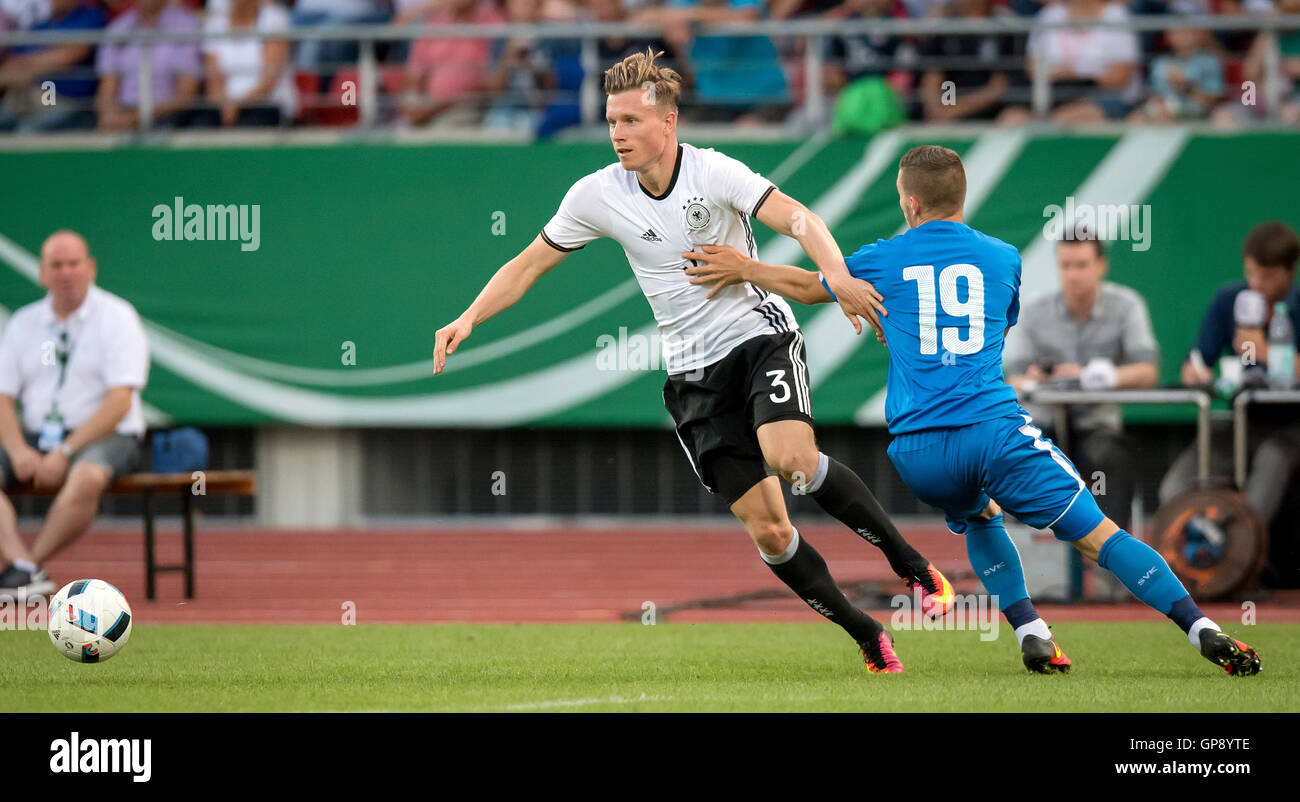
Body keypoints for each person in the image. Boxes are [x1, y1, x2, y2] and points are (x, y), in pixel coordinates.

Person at [433, 49, 955, 674]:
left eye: (630, 120)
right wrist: (468, 317)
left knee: (791, 457)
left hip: (758, 337)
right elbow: (527, 266)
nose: (618, 134)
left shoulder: (715, 173)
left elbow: (799, 218)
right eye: (611, 122)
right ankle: (866, 633)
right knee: (770, 532)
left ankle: (916, 568)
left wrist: (838, 276)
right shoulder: (596, 194)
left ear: (669, 121)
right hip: (693, 376)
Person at [683, 146, 1261, 676]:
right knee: (1098, 537)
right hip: (992, 430)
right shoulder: (1004, 258)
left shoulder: (883, 259)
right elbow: (990, 328)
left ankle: (1032, 631)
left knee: (981, 517)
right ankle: (1202, 629)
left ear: (909, 201)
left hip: (919, 451)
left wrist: (746, 267)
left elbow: (812, 287)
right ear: (962, 197)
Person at [0, 231, 150, 599]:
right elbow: (3, 396)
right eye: (56, 265)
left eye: (73, 264)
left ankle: (26, 569)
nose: (66, 273)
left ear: (91, 268)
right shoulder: (24, 323)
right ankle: (23, 568)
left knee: (86, 477)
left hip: (105, 436)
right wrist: (19, 450)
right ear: (42, 273)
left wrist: (64, 452)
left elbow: (120, 402)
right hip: (37, 435)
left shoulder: (118, 317)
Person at [1004, 236, 1159, 530]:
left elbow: (1147, 371)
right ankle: (1021, 563)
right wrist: (1037, 379)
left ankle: (1111, 562)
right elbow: (1016, 378)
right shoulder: (1035, 310)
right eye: (1066, 265)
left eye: (1082, 265)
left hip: (1097, 429)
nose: (1074, 274)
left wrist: (1101, 375)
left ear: (1101, 265)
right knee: (1013, 456)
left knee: (1114, 457)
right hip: (1043, 428)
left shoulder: (1127, 306)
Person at [1162, 221, 1300, 534]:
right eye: (1251, 272)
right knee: (1175, 486)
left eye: (1267, 276)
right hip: (1240, 420)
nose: (1257, 284)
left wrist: (1267, 352)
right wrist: (1196, 371)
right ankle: (1199, 545)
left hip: (1291, 427)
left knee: (1271, 460)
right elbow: (1197, 358)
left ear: (1289, 272)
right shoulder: (1229, 299)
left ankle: (1239, 552)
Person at [94, 0, 202, 131]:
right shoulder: (117, 28)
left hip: (167, 116)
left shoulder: (186, 26)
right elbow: (107, 86)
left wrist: (134, 118)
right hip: (122, 113)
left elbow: (186, 94)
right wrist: (108, 116)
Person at [0, 0, 105, 132]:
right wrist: (47, 61)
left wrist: (29, 67)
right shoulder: (40, 24)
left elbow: (70, 55)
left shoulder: (91, 16)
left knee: (28, 132)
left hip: (70, 103)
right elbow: (12, 64)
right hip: (27, 97)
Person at [197, 0, 297, 127]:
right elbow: (214, 81)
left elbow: (269, 81)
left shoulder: (274, 19)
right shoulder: (214, 23)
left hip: (268, 105)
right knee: (200, 127)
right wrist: (225, 105)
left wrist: (237, 105)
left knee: (244, 131)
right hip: (224, 107)